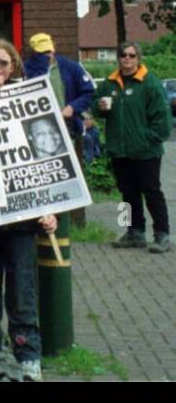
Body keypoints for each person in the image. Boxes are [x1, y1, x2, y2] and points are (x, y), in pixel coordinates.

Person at [0, 37, 57, 382]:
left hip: (22, 216)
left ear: (15, 66)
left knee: (23, 291)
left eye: (2, 63)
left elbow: (48, 157)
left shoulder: (32, 99)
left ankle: (28, 355)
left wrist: (52, 207)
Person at [95, 41, 173, 252]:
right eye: (123, 55)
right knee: (126, 194)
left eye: (131, 55)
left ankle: (162, 234)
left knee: (151, 192)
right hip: (119, 151)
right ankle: (133, 232)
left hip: (146, 152)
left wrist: (146, 139)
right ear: (118, 58)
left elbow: (163, 122)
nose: (127, 59)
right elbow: (95, 106)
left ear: (139, 59)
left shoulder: (150, 84)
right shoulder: (109, 83)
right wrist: (100, 108)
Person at [22, 32, 95, 162]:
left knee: (73, 165)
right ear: (34, 52)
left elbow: (88, 92)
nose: (48, 55)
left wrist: (73, 107)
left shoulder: (71, 67)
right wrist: (41, 69)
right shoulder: (26, 70)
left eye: (50, 50)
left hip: (69, 125)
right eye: (42, 52)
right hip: (40, 129)